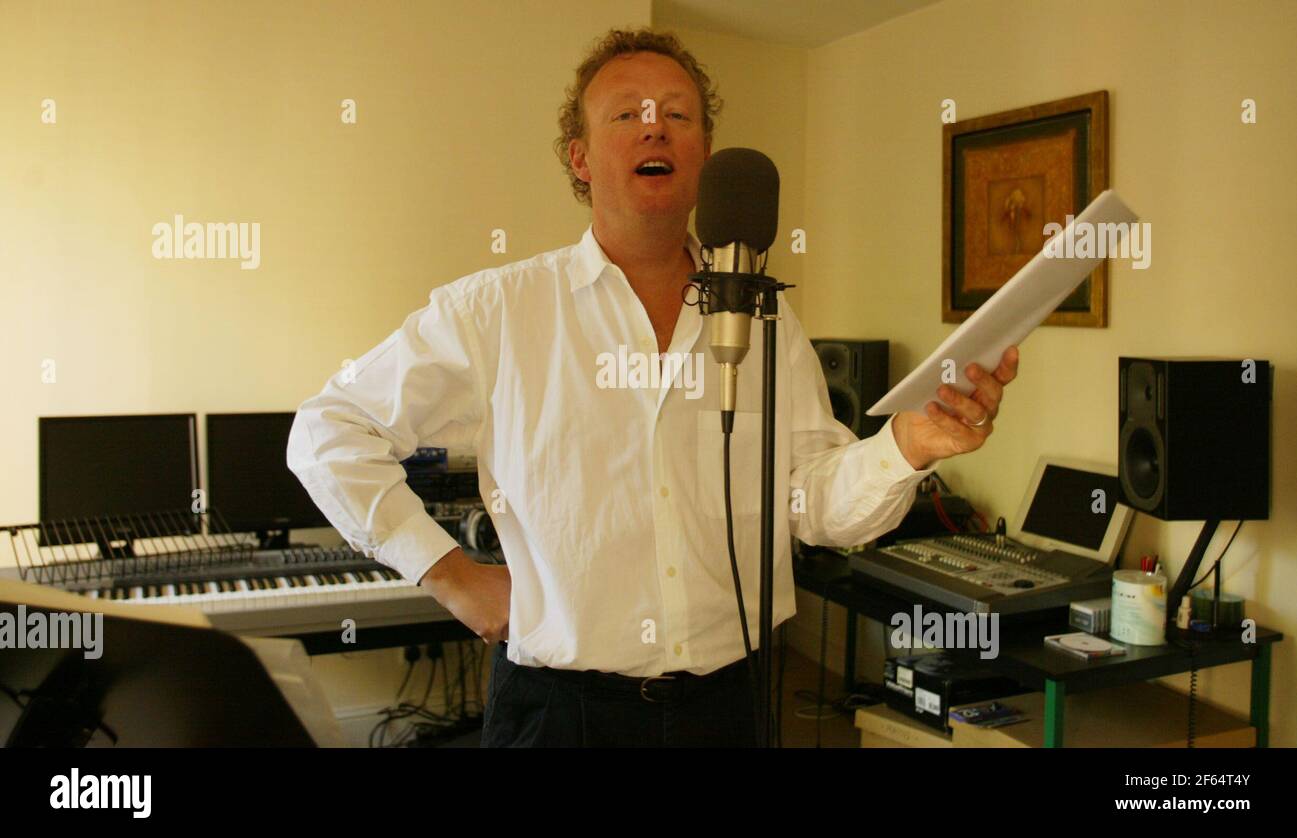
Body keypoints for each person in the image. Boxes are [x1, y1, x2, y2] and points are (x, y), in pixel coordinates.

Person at [286, 28, 1020, 747]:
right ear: (580, 158)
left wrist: (907, 446)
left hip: (730, 708)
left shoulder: (765, 316)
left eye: (678, 115)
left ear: (703, 154)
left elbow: (812, 505)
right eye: (627, 114)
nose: (655, 129)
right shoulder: (500, 310)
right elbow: (328, 432)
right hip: (559, 716)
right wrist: (447, 574)